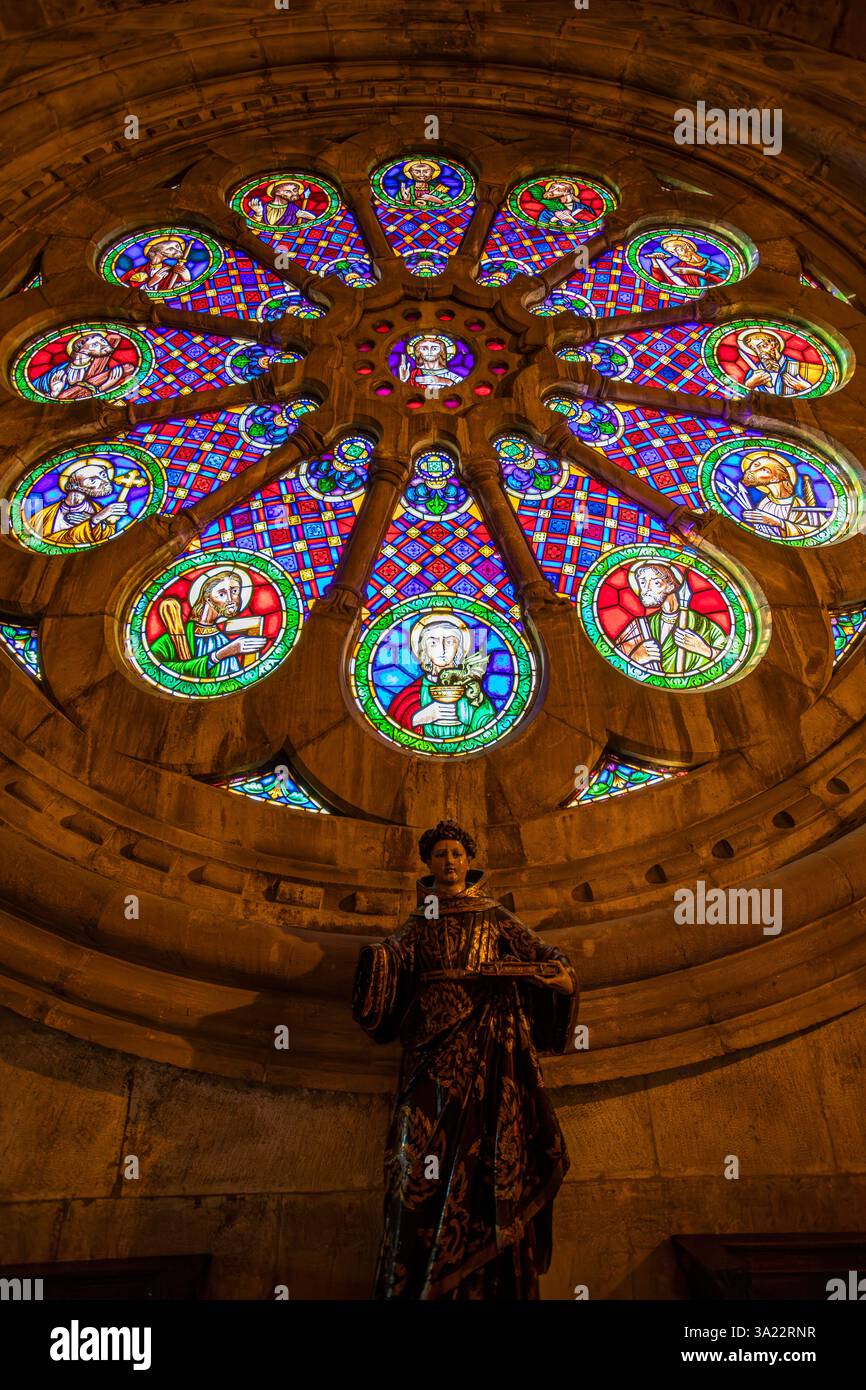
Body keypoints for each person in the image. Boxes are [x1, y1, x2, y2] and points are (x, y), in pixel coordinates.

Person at [352, 818, 578, 1299]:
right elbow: (395, 957)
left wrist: (559, 974)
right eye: (440, 854)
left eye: (457, 853)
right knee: (411, 1158)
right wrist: (377, 959)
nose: (450, 861)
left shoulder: (493, 915)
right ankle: (420, 1278)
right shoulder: (420, 920)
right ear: (428, 864)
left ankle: (486, 1281)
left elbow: (545, 953)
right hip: (428, 1049)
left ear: (469, 861)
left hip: (488, 1044)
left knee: (487, 1155)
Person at [148, 565, 266, 680]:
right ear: (208, 599)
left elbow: (231, 681)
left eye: (235, 591)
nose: (230, 599)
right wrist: (221, 654)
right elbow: (153, 668)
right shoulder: (176, 636)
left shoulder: (222, 639)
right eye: (222, 594)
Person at [387, 613, 495, 739]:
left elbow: (488, 726)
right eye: (433, 642)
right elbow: (393, 727)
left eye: (449, 642)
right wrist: (417, 719)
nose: (442, 649)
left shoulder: (471, 690)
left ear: (459, 648)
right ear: (424, 649)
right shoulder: (410, 695)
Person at [615, 560, 725, 676]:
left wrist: (705, 649)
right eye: (642, 582)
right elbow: (615, 658)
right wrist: (636, 657)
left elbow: (729, 657)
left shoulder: (704, 625)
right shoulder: (640, 626)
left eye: (655, 583)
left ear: (670, 586)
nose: (646, 589)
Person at [27, 459, 132, 547]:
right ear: (75, 485)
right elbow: (42, 543)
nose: (104, 481)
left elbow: (107, 535)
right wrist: (94, 520)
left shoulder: (99, 510)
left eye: (103, 475)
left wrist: (94, 521)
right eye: (92, 480)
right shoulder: (42, 516)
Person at [33, 331, 135, 401]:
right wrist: (54, 393)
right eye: (95, 344)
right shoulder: (56, 373)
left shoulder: (100, 368)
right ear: (82, 350)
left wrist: (109, 384)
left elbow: (95, 398)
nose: (104, 345)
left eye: (103, 341)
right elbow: (36, 394)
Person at [736, 327, 813, 396]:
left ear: (774, 345)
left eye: (762, 346)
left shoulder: (799, 367)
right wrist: (749, 385)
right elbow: (738, 397)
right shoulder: (752, 374)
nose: (759, 353)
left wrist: (805, 387)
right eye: (754, 349)